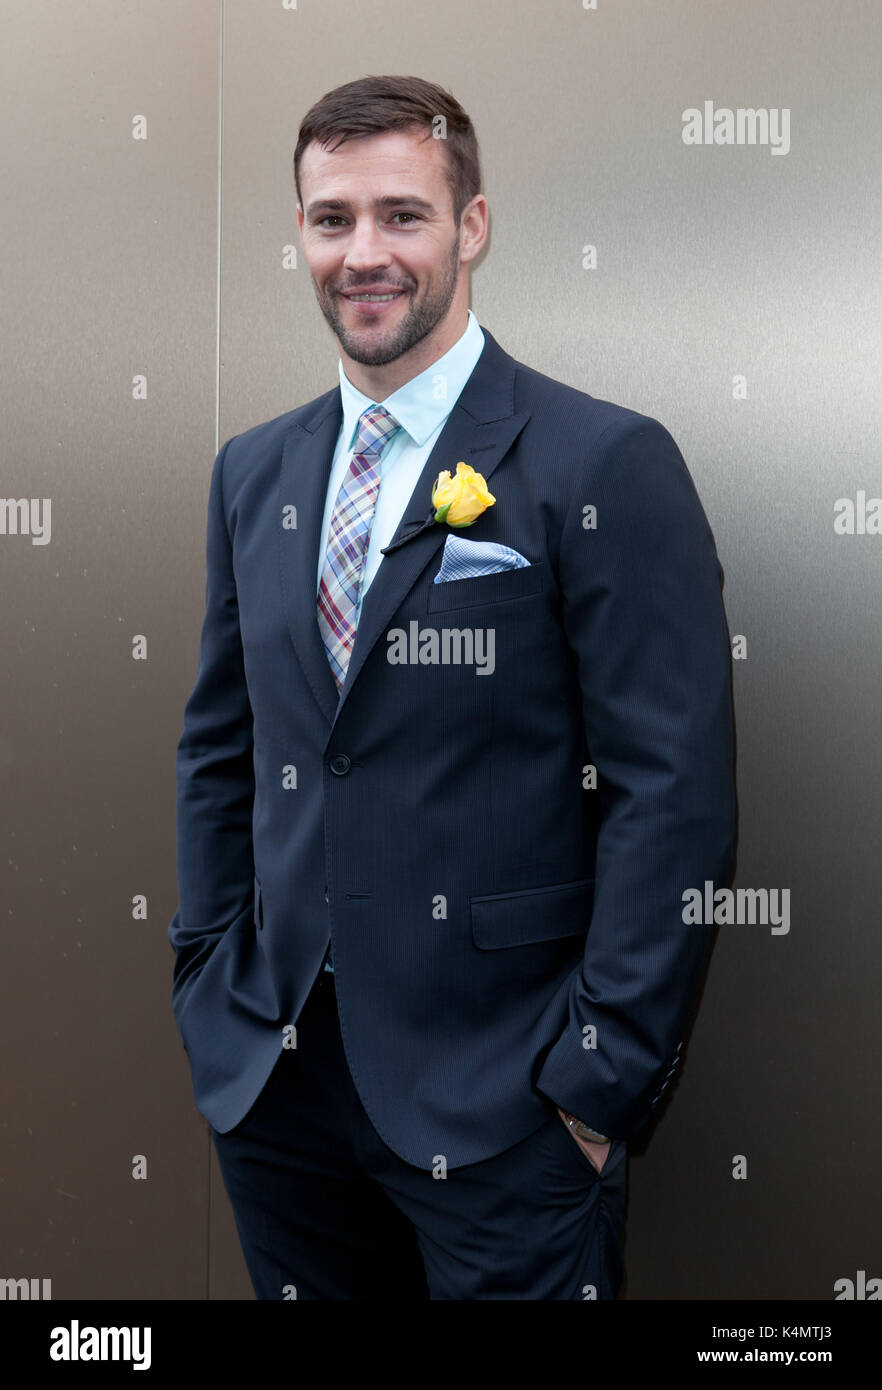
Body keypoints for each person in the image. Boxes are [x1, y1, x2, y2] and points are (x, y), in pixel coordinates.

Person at [168, 73, 736, 1300]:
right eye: (331, 220)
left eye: (401, 215)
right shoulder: (249, 470)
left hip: (508, 1105)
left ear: (471, 227)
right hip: (279, 1095)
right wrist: (207, 970)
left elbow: (671, 792)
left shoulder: (602, 461)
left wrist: (597, 1080)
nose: (362, 253)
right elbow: (224, 745)